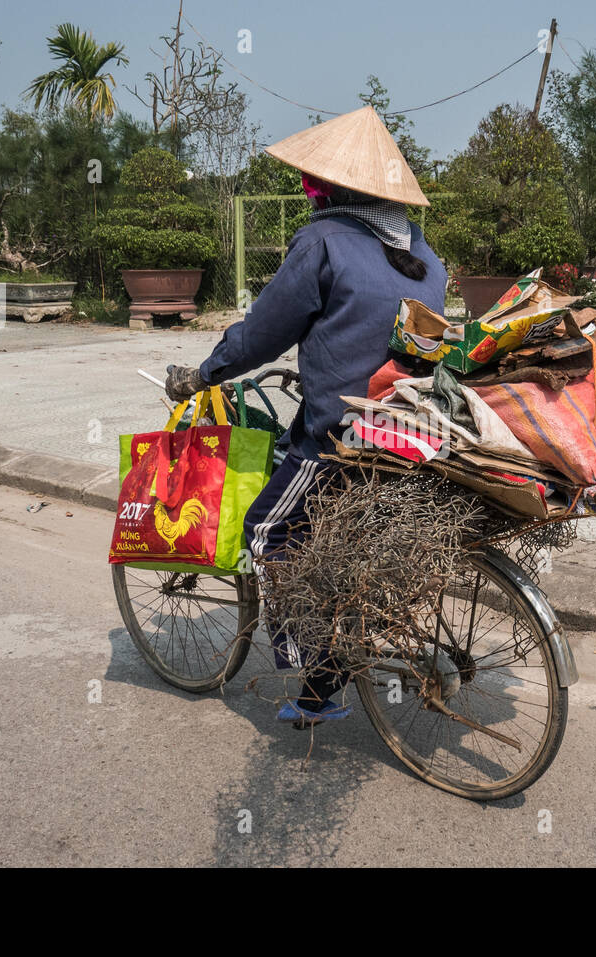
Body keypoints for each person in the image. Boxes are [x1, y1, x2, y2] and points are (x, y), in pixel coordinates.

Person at [164, 106, 447, 727]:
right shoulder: (425, 254)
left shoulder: (322, 240)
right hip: (410, 432)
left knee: (268, 531)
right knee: (340, 548)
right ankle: (323, 692)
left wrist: (204, 374)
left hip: (339, 436)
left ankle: (310, 661)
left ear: (329, 189)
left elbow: (265, 331)